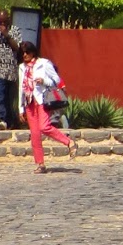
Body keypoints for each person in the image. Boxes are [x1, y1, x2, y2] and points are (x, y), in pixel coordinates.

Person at [19, 41, 75, 173]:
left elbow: (56, 80)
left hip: (42, 99)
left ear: (33, 52)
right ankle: (40, 164)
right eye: (23, 53)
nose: (25, 55)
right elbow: (20, 88)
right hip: (29, 101)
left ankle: (69, 142)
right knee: (35, 134)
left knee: (44, 126)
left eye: (27, 52)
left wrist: (44, 81)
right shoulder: (22, 67)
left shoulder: (44, 63)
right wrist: (20, 108)